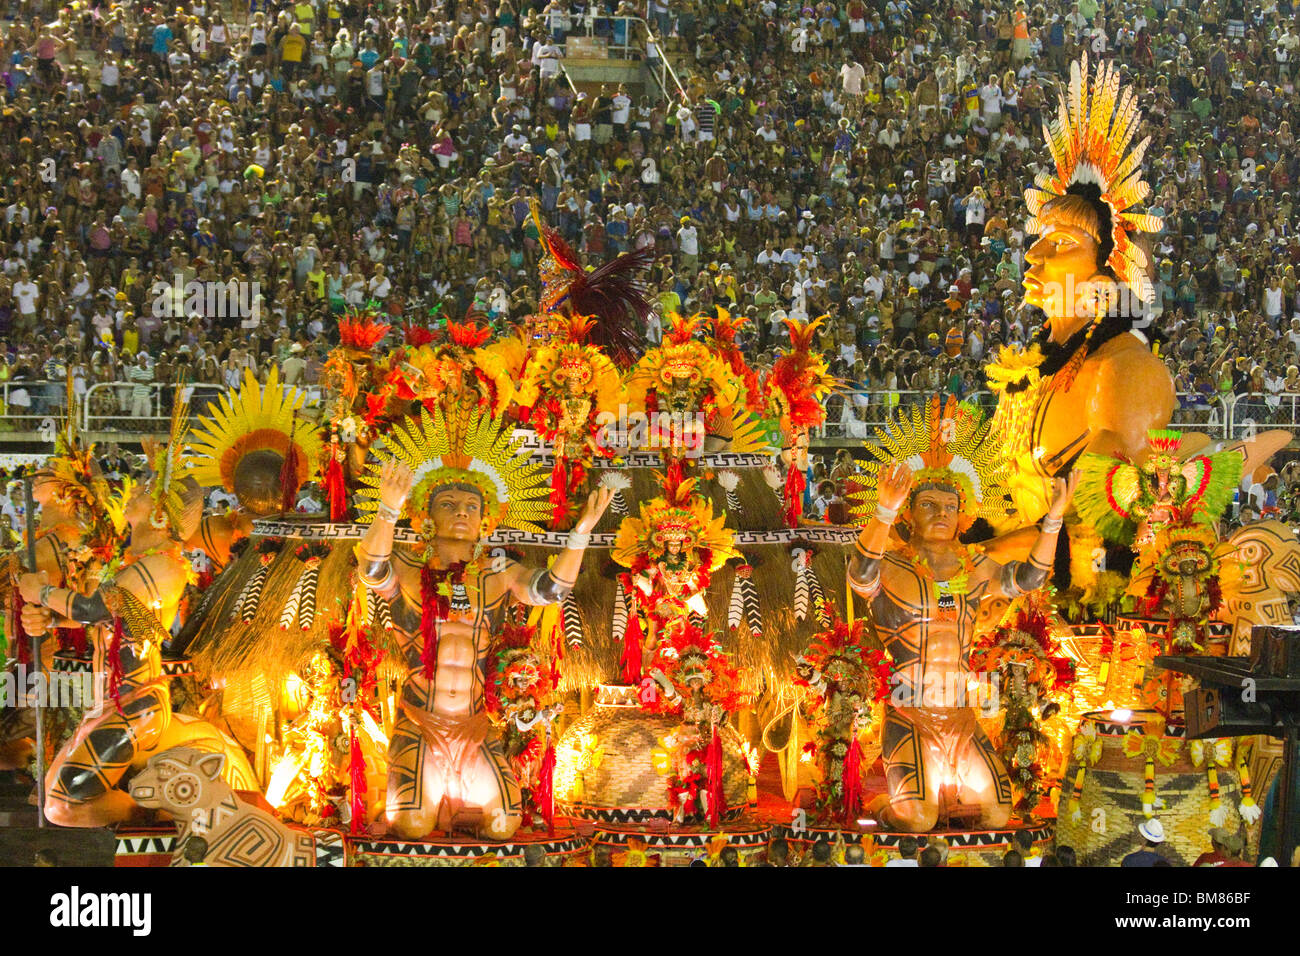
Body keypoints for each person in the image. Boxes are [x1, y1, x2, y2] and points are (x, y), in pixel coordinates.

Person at [355, 406, 611, 840]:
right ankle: (431, 797)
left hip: (475, 724)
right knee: (412, 827)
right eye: (448, 505)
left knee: (504, 826)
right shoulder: (406, 567)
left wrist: (582, 532)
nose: (462, 513)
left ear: (486, 518)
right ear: (424, 515)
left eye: (472, 506)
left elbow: (551, 590)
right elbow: (371, 570)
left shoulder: (499, 573)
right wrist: (386, 510)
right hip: (420, 722)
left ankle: (458, 799)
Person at [850, 398, 1076, 832]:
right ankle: (885, 804)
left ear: (963, 516)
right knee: (918, 821)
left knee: (997, 814)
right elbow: (860, 574)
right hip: (908, 714)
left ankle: (941, 795)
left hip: (962, 715)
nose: (941, 514)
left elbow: (1029, 579)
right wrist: (883, 510)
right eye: (928, 504)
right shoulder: (891, 565)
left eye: (950, 507)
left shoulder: (976, 567)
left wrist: (1053, 521)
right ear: (909, 514)